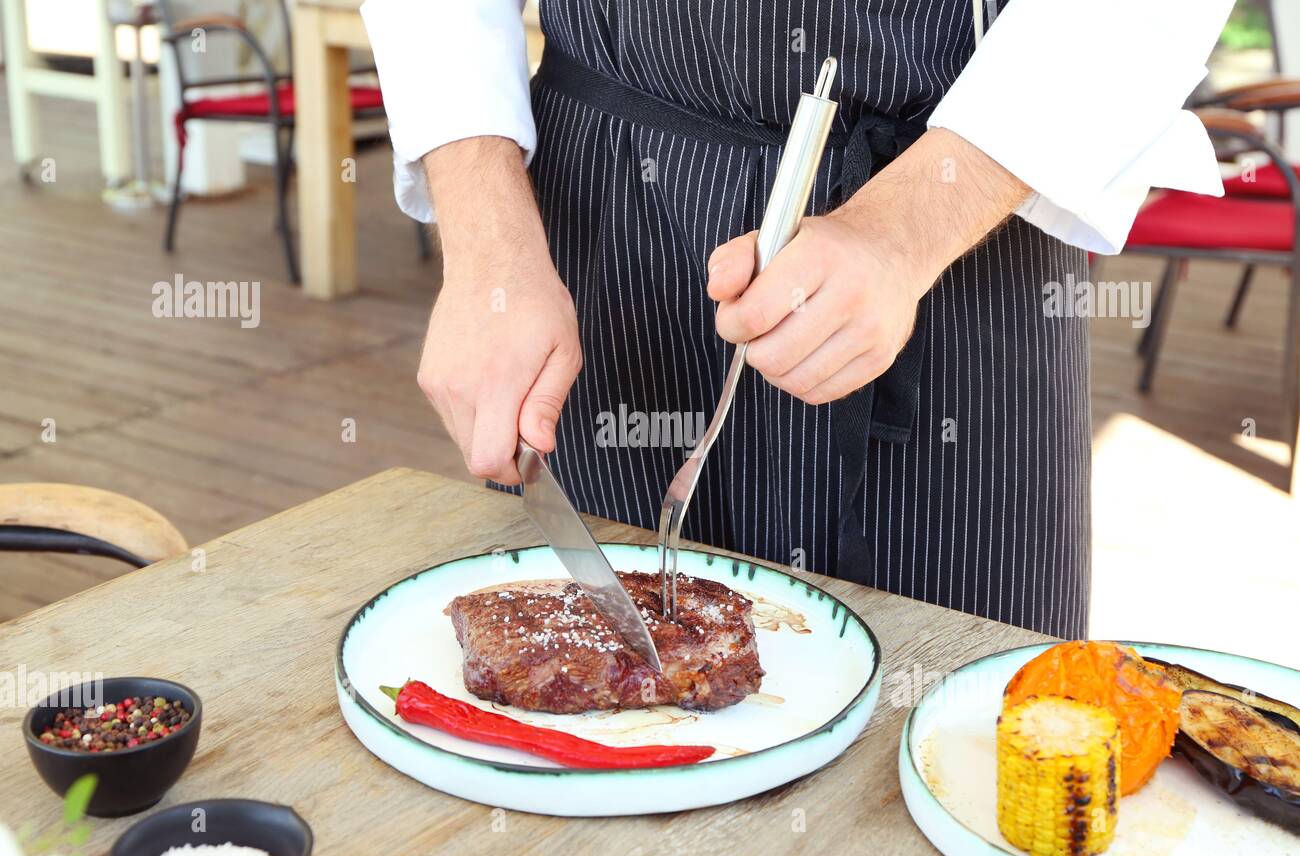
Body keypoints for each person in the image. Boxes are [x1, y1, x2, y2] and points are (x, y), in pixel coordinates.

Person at [360, 0, 1234, 640]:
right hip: (602, 215)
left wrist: (902, 233)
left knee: (949, 734)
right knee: (578, 719)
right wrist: (487, 245)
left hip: (959, 216)